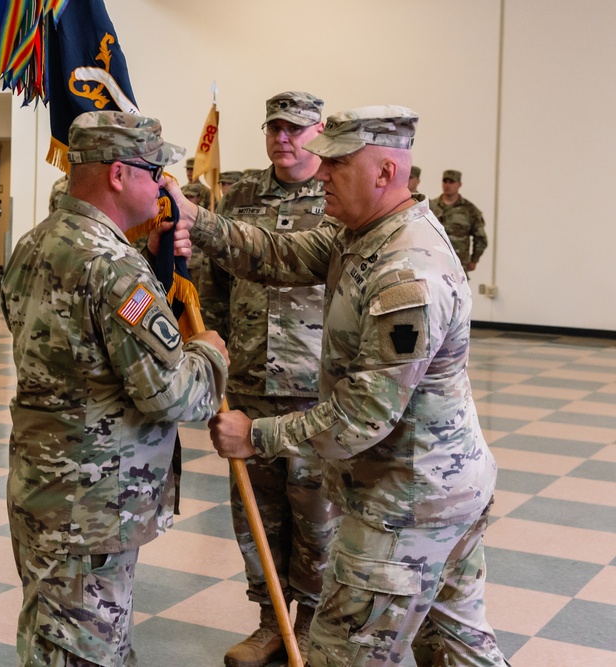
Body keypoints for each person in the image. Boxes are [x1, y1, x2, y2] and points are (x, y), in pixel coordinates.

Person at [173, 105, 508, 666]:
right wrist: (195, 218)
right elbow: (277, 253)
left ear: (385, 173)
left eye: (338, 164)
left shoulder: (407, 271)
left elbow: (361, 417)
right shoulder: (363, 233)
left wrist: (257, 435)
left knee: (340, 654)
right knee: (456, 647)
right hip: (432, 490)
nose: (320, 173)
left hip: (406, 503)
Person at [0, 110, 229, 667]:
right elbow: (172, 394)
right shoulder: (113, 267)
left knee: (59, 633)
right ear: (119, 175)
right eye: (155, 170)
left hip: (46, 486)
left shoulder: (33, 245)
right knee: (83, 647)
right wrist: (211, 356)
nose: (164, 185)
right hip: (93, 501)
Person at [201, 91, 341, 667]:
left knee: (315, 517)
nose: (282, 138)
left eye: (295, 129)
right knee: (255, 514)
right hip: (251, 385)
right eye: (273, 128)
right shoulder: (241, 195)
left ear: (319, 132)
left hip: (313, 389)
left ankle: (306, 623)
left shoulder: (336, 195)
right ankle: (268, 620)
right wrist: (212, 351)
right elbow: (214, 280)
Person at [430, 169, 488, 275]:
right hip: (433, 263)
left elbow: (481, 238)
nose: (447, 185)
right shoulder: (431, 207)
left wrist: (474, 260)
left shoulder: (469, 210)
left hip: (458, 266)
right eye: (445, 181)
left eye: (451, 182)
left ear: (459, 184)